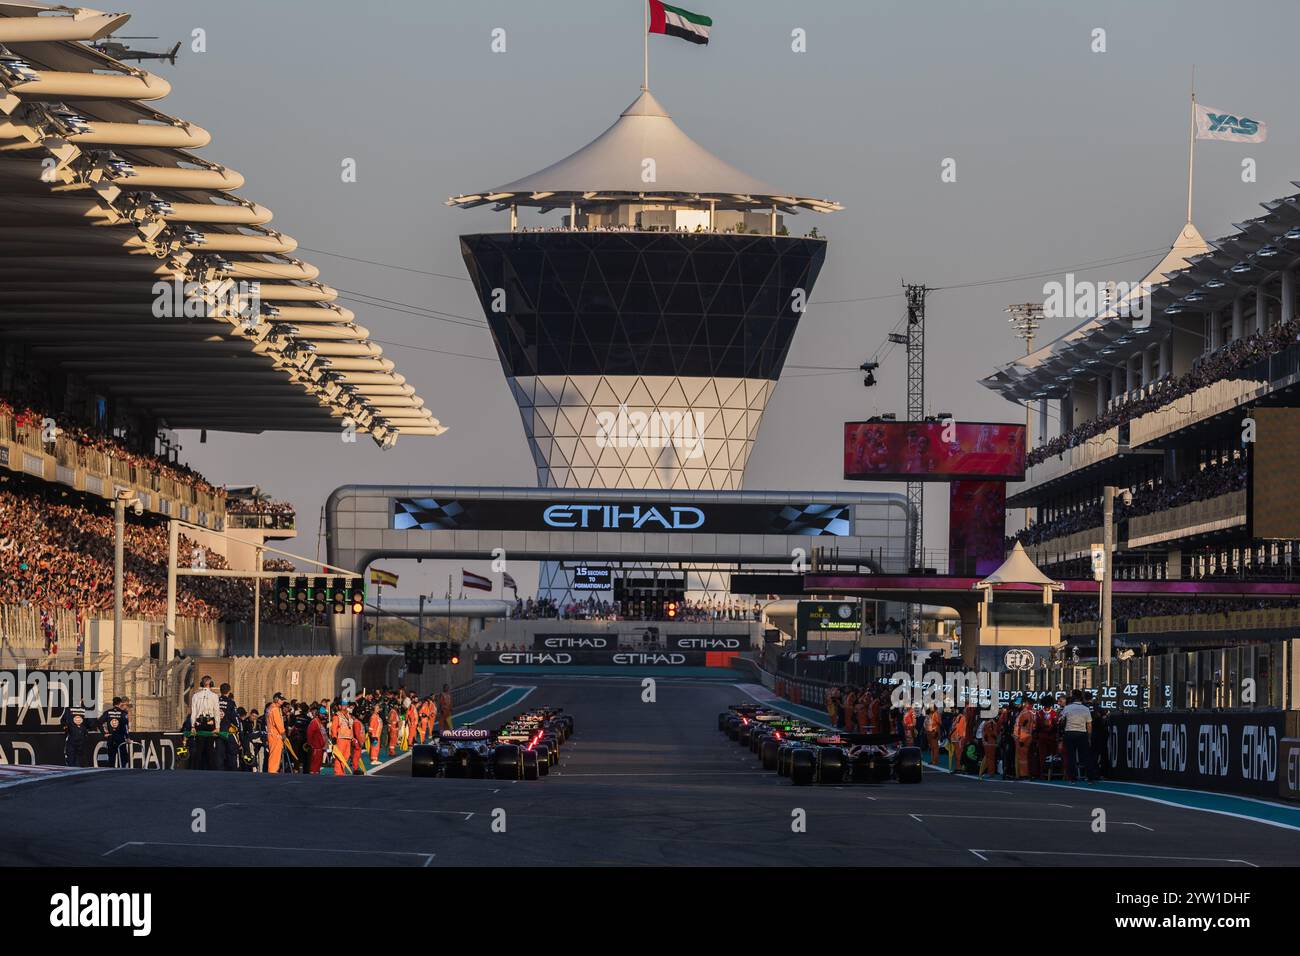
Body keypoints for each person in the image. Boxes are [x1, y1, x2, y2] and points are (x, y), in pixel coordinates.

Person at [1061, 689, 1096, 782]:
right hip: (1081, 733)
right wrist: (1089, 737)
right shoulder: (1085, 709)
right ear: (1081, 698)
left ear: (1072, 698)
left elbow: (1061, 720)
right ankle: (1090, 777)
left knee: (1071, 757)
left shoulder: (1067, 708)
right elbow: (1089, 724)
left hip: (1069, 733)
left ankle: (1072, 778)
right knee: (1086, 756)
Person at [189, 675, 221, 771]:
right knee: (210, 748)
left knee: (199, 748)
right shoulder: (214, 696)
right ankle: (211, 769)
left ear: (201, 684)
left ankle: (197, 769)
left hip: (199, 723)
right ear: (211, 684)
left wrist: (192, 726)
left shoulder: (195, 696)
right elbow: (216, 712)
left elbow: (193, 712)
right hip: (210, 723)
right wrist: (218, 726)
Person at [100, 696, 129, 768]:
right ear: (120, 704)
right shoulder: (123, 713)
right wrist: (127, 737)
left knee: (111, 759)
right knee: (123, 758)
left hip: (111, 737)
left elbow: (99, 722)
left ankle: (110, 774)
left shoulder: (108, 712)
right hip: (120, 738)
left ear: (113, 703)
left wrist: (104, 733)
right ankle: (122, 774)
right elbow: (125, 726)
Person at [218, 683, 240, 771]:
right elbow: (235, 717)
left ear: (220, 691)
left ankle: (219, 772)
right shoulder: (231, 702)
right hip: (227, 731)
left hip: (217, 730)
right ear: (229, 691)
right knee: (231, 753)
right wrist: (238, 727)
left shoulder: (215, 700)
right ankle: (232, 771)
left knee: (219, 753)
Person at [1014, 699, 1037, 779]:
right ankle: (1026, 773)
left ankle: (1023, 774)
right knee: (1026, 756)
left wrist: (1018, 737)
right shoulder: (1030, 713)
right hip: (1027, 736)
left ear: (1026, 703)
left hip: (1022, 737)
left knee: (1022, 757)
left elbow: (1020, 726)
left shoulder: (1024, 713)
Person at [265, 692, 287, 774]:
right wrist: (283, 733)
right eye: (281, 700)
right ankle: (272, 771)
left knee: (273, 755)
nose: (282, 701)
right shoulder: (275, 709)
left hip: (271, 734)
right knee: (275, 756)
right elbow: (278, 723)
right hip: (276, 736)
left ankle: (272, 771)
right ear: (276, 699)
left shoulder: (270, 708)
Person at [306, 706, 329, 774]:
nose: (323, 715)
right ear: (318, 713)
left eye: (324, 714)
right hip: (316, 747)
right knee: (314, 767)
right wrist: (310, 744)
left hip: (320, 747)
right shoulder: (314, 722)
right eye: (322, 714)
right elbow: (309, 733)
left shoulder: (320, 722)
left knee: (317, 766)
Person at [979, 714, 999, 778]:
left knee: (989, 759)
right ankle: (990, 772)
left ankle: (990, 773)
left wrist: (986, 739)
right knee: (990, 758)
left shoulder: (989, 723)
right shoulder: (993, 723)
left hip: (989, 743)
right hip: (990, 743)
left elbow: (990, 733)